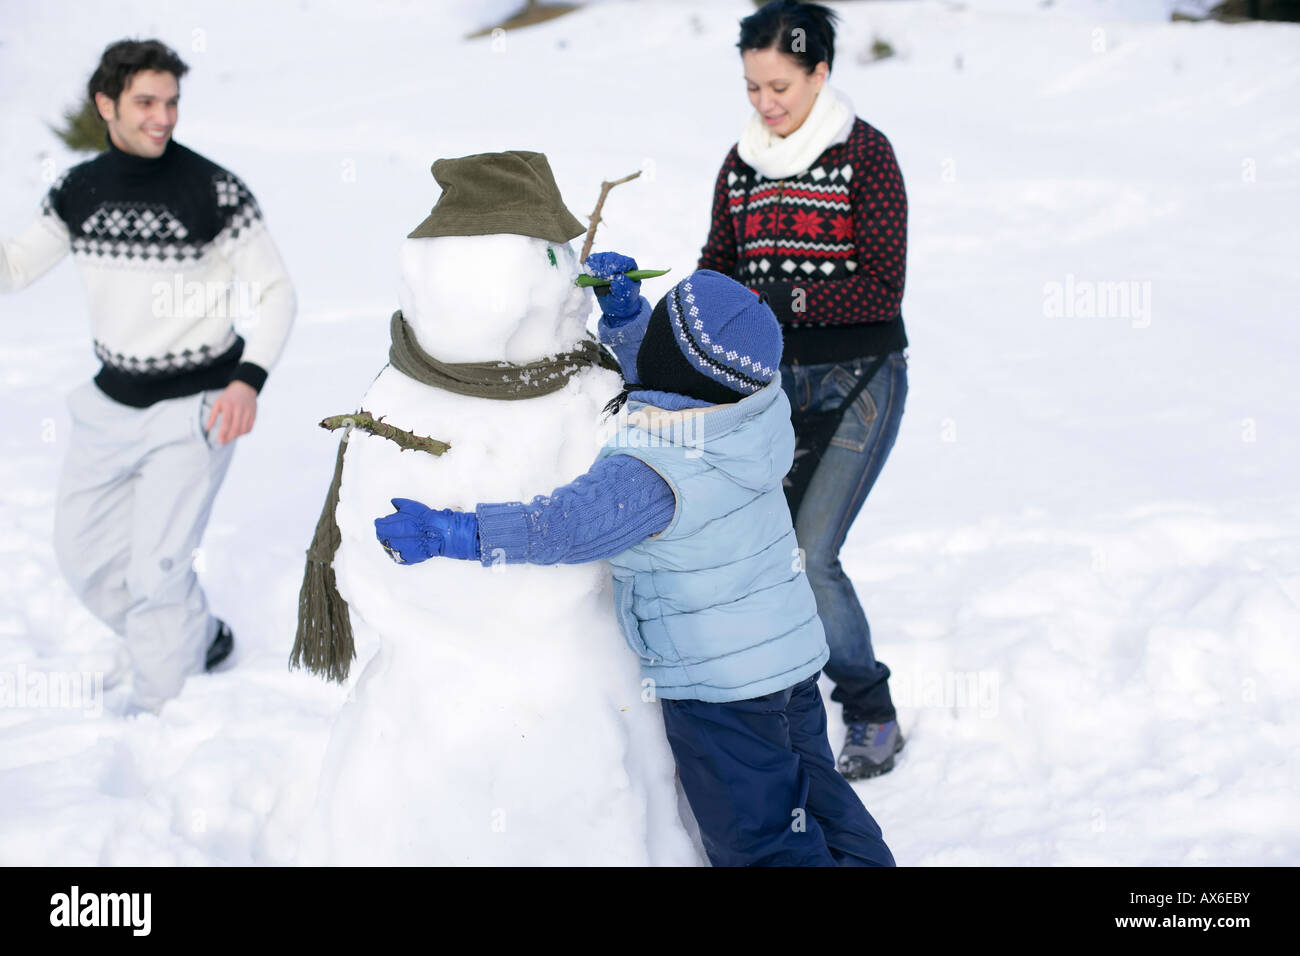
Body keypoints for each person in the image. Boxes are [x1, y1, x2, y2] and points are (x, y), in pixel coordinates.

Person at [374, 256, 895, 867]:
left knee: (762, 839)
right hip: (790, 665)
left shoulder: (655, 471)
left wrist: (462, 532)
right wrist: (628, 320)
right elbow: (681, 379)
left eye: (657, 337)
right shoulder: (754, 414)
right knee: (822, 800)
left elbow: (564, 526)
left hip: (724, 691)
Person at [0, 39, 296, 712]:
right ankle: (199, 638)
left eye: (171, 102)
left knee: (159, 571)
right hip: (107, 406)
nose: (162, 117)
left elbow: (276, 292)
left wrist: (247, 380)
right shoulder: (79, 190)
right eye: (145, 103)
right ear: (106, 105)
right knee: (83, 560)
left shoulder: (213, 191)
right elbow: (14, 269)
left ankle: (163, 716)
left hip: (199, 406)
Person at [697, 0, 910, 779]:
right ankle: (778, 707)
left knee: (811, 555)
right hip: (774, 391)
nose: (766, 103)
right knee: (763, 555)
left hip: (863, 380)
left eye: (780, 85)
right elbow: (719, 265)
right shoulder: (741, 163)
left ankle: (871, 712)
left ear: (821, 72)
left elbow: (882, 290)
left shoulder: (866, 156)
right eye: (753, 87)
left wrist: (776, 300)